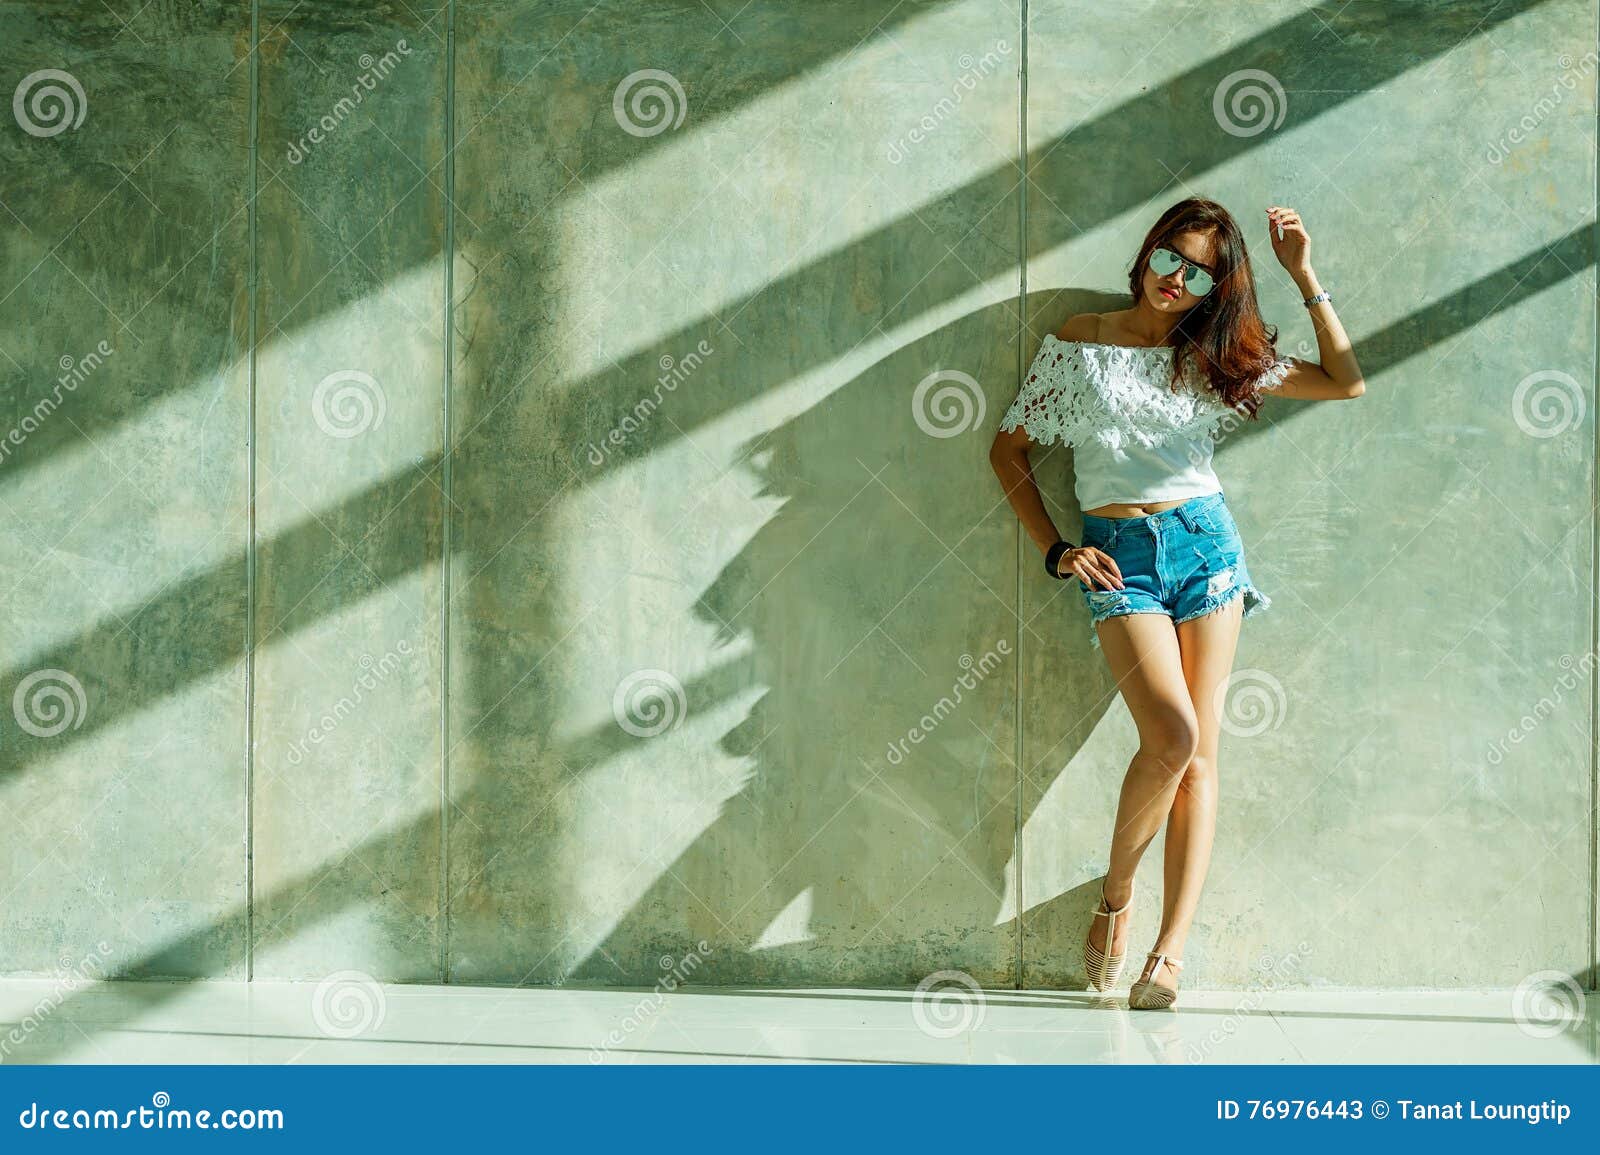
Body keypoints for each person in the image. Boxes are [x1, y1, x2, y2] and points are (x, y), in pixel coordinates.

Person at [988, 197, 1364, 1008]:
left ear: (1214, 288)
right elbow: (1008, 447)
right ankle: (1115, 898)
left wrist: (1304, 273)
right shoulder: (1083, 340)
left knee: (1201, 757)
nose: (1177, 278)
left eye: (1199, 271)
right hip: (1119, 559)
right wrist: (1056, 548)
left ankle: (1169, 954)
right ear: (1149, 251)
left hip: (1206, 547)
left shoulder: (1215, 353)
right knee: (1173, 732)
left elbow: (1346, 382)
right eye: (1170, 256)